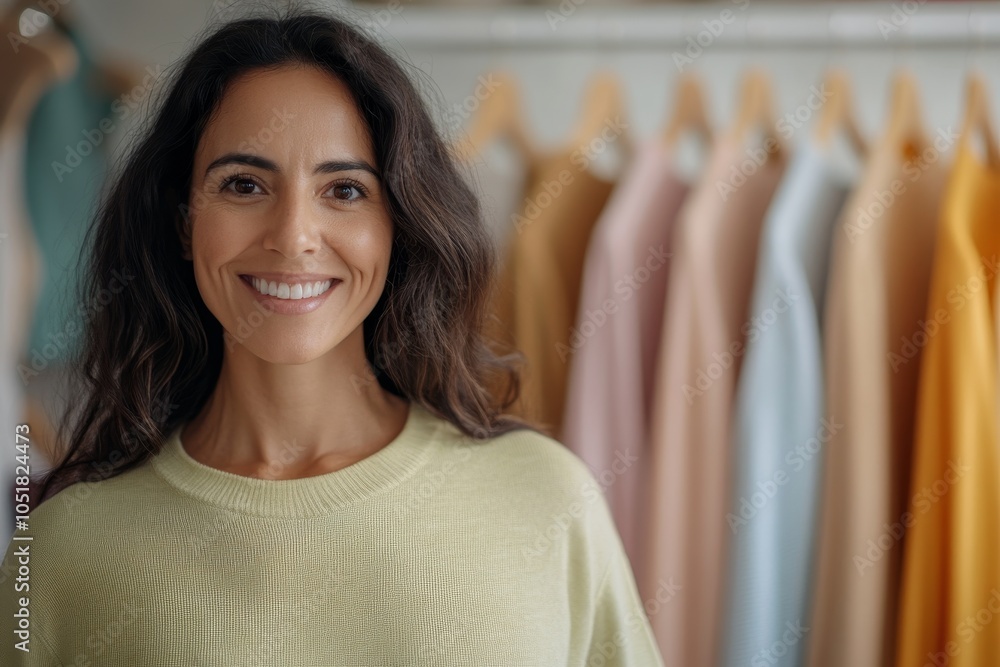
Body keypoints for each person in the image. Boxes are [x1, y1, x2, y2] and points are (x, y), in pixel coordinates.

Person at [0, 8, 663, 666]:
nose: (292, 237)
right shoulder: (64, 552)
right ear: (182, 220)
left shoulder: (546, 500)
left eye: (344, 189)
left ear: (396, 224)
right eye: (244, 184)